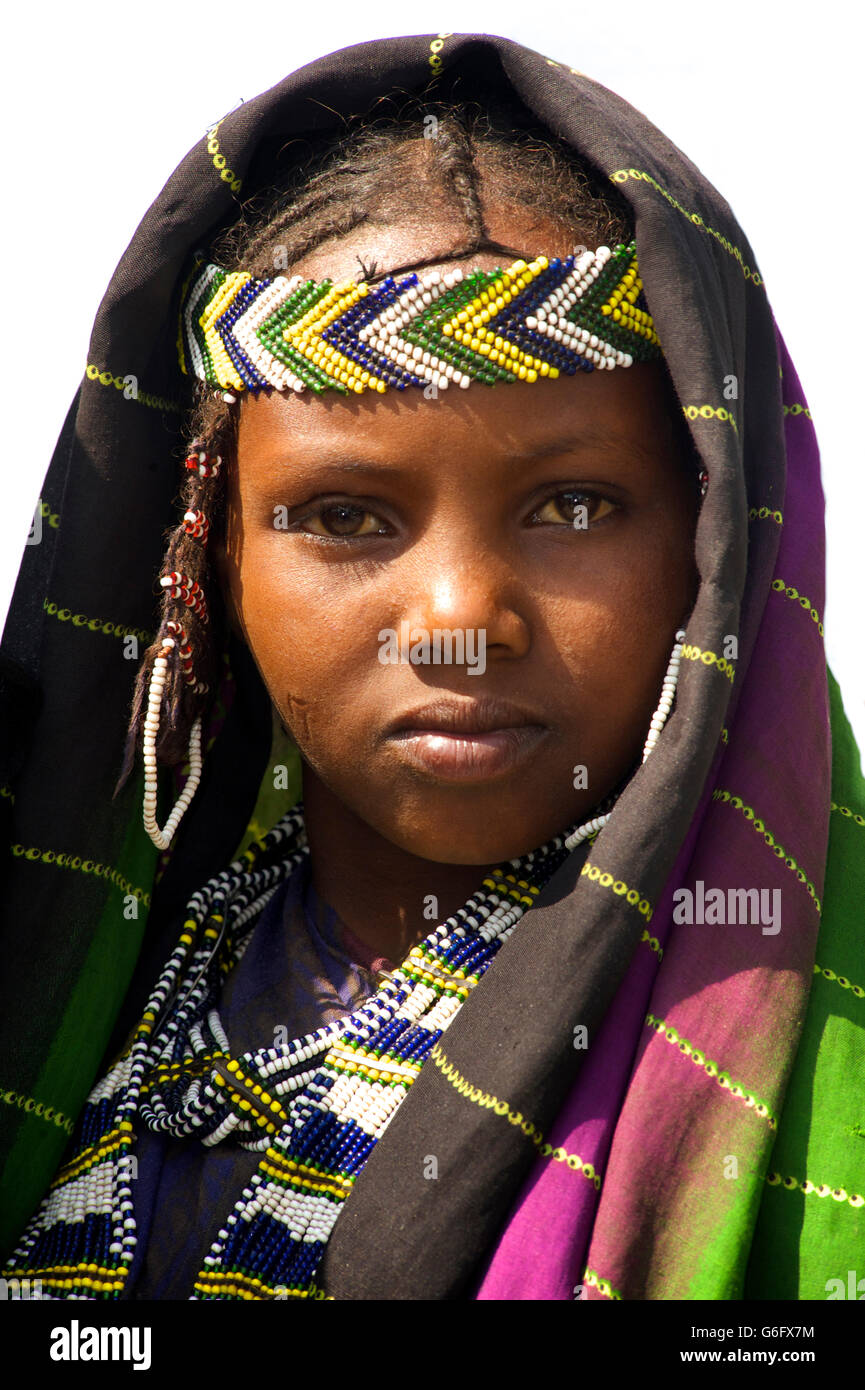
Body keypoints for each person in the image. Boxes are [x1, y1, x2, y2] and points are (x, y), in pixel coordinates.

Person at [1, 31, 862, 1302]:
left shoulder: (799, 1030)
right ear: (205, 561)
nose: (462, 617)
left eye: (572, 507)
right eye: (344, 516)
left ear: (715, 539)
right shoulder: (77, 976)